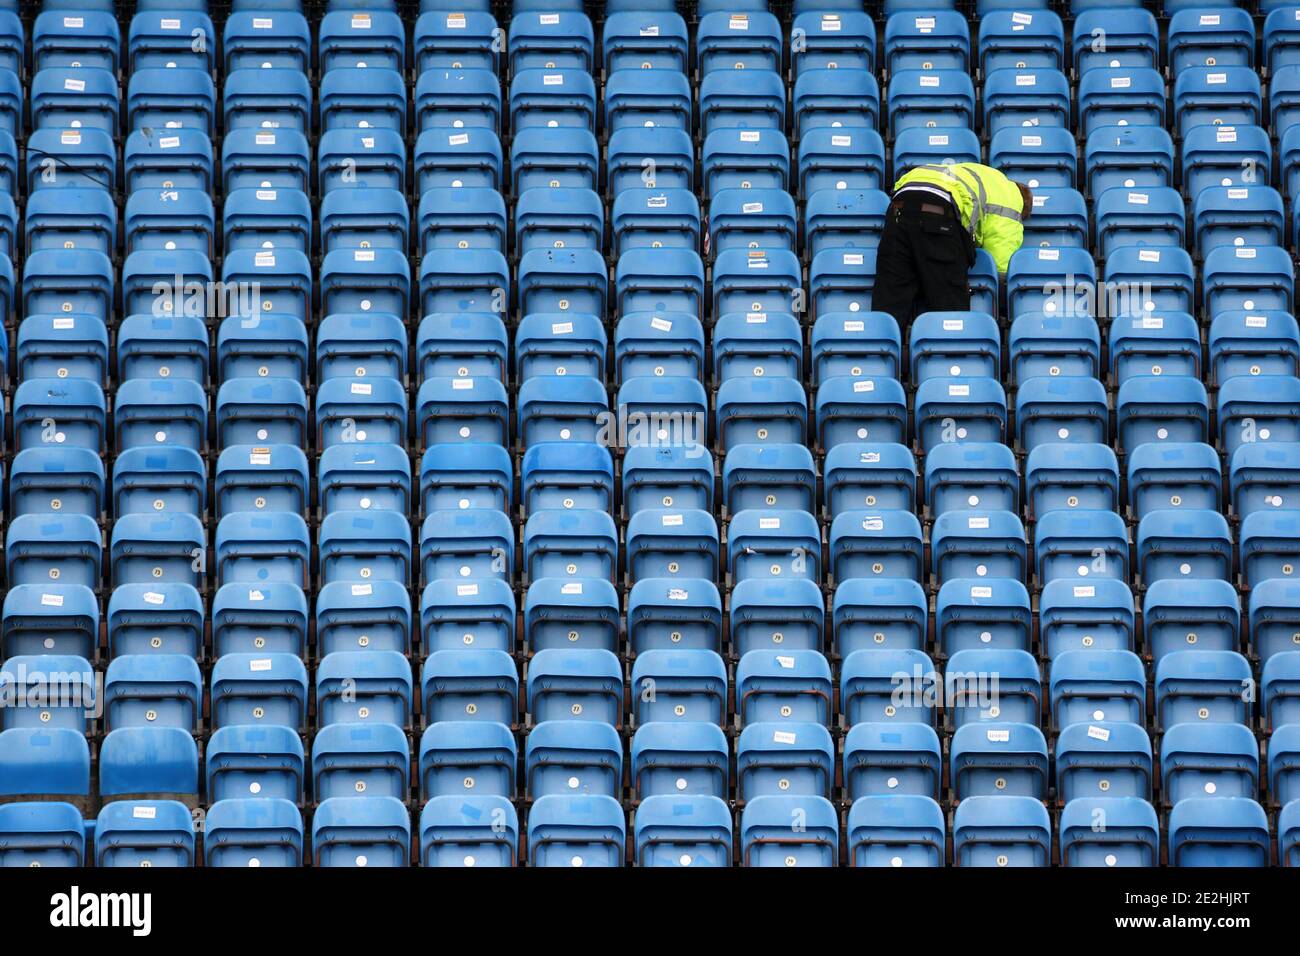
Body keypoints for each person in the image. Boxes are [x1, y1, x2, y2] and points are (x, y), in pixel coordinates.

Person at [871, 162, 1033, 328]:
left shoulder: (978, 173)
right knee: (950, 303)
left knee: (890, 297)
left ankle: (878, 347)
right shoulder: (1011, 196)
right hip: (938, 209)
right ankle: (950, 348)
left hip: (900, 203)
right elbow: (1000, 253)